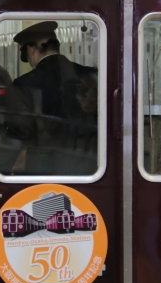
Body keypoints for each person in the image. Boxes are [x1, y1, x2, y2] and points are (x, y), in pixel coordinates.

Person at [7, 21, 98, 176]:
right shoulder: (92, 75)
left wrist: (1, 167)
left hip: (43, 169)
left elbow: (20, 130)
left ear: (30, 50)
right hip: (88, 169)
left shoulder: (25, 83)